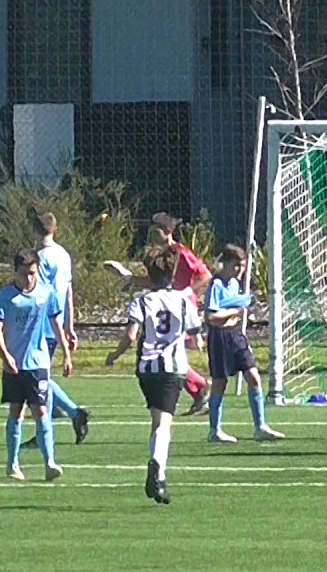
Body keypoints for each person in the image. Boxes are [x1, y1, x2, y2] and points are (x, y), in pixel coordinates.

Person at [105, 245, 202, 504]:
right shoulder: (183, 301)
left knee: (157, 421)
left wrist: (114, 356)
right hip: (172, 369)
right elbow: (196, 337)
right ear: (172, 274)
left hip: (146, 370)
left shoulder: (141, 301)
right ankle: (158, 471)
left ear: (149, 274)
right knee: (164, 424)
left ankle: (157, 474)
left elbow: (131, 336)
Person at [105, 211, 212, 414]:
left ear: (168, 231)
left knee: (164, 351)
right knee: (168, 352)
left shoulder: (180, 252)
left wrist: (187, 291)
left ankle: (201, 385)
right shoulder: (160, 255)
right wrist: (129, 278)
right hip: (166, 303)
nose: (152, 232)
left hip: (178, 308)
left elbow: (205, 274)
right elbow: (156, 281)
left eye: (157, 229)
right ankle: (199, 394)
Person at [0, 249, 73, 482]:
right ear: (15, 272)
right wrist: (5, 355)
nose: (29, 279)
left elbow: (56, 321)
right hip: (14, 364)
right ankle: (12, 464)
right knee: (16, 411)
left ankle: (50, 463)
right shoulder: (7, 296)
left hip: (38, 362)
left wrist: (66, 353)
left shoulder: (46, 293)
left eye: (33, 273)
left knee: (41, 410)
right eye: (25, 273)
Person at [20, 211, 88, 449]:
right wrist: (70, 325)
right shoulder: (63, 254)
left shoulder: (38, 258)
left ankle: (63, 419)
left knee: (38, 378)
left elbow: (35, 291)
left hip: (42, 322)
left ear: (35, 230)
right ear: (54, 228)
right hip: (57, 319)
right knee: (42, 377)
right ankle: (70, 415)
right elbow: (68, 290)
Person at [204, 244, 284, 443]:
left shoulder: (234, 284)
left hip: (236, 335)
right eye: (236, 265)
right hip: (220, 337)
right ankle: (215, 431)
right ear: (225, 264)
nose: (240, 270)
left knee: (254, 377)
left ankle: (260, 427)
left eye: (242, 266)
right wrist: (235, 312)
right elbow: (211, 317)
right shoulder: (216, 285)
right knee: (220, 383)